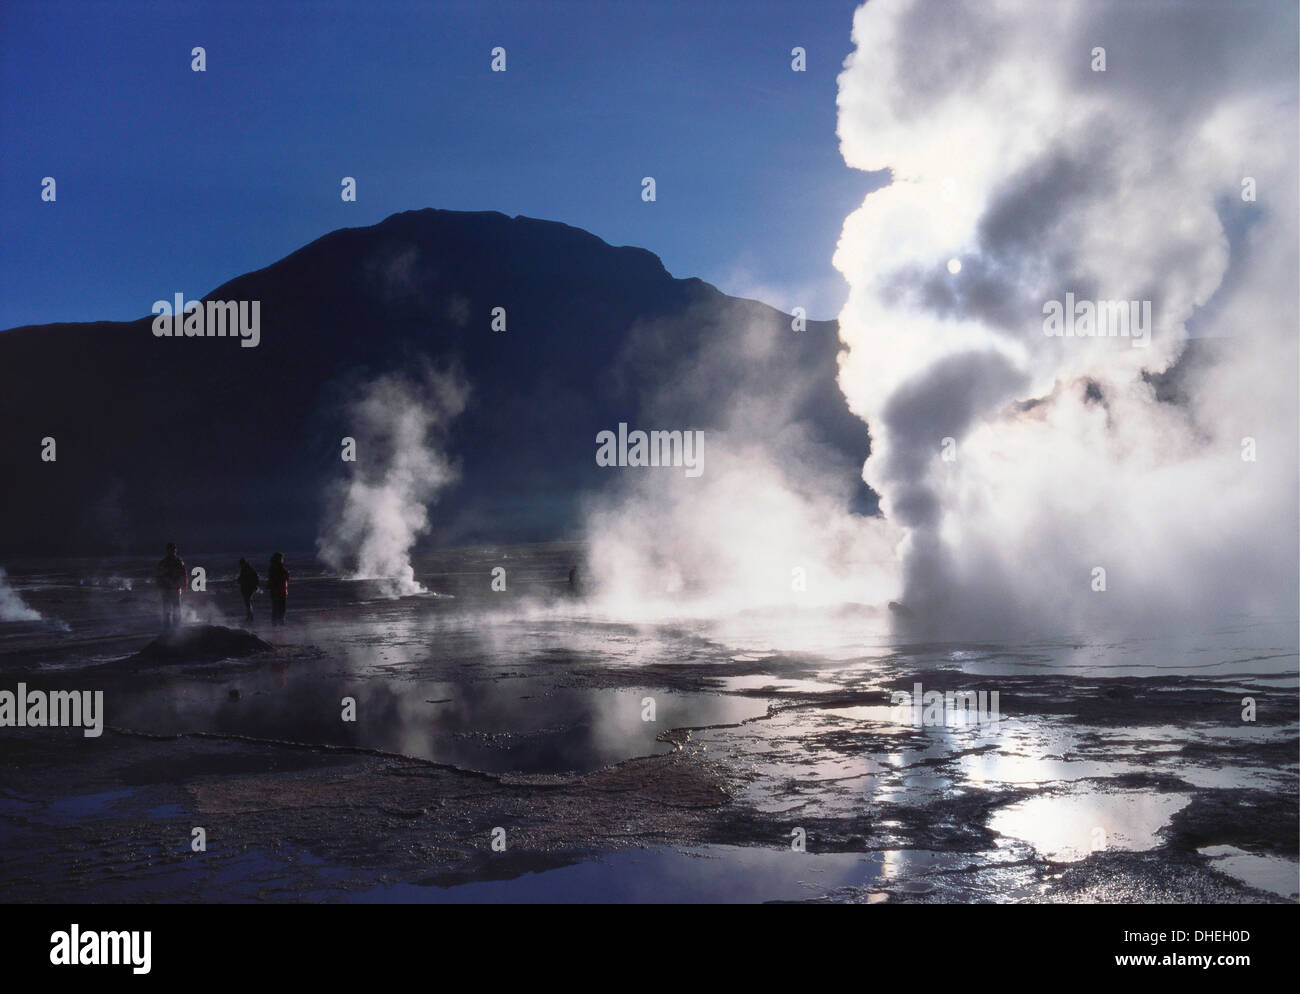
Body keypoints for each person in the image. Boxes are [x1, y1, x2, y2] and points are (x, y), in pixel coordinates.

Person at [155, 543, 186, 631]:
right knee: (169, 610)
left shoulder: (178, 562)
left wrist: (183, 584)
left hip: (173, 589)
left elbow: (183, 575)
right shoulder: (171, 562)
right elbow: (159, 576)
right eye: (172, 550)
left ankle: (174, 628)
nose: (173, 552)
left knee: (173, 610)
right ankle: (171, 628)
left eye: (173, 550)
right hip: (168, 589)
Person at [268, 552, 290, 626]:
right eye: (281, 558)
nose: (282, 559)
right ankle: (278, 623)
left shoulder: (275, 567)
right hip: (279, 591)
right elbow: (285, 577)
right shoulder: (278, 568)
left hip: (280, 591)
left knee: (278, 608)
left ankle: (277, 623)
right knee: (279, 608)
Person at [237, 557, 259, 623]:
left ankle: (250, 617)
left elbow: (254, 578)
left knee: (248, 602)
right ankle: (250, 616)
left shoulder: (248, 569)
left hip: (248, 588)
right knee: (247, 603)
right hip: (246, 588)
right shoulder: (246, 569)